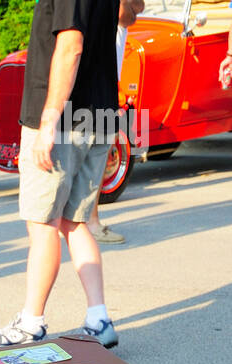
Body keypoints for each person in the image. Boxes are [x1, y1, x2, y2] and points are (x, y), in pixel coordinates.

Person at [0, 0, 121, 351]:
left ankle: (32, 322)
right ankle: (98, 318)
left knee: (43, 224)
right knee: (75, 222)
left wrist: (48, 120)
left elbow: (71, 44)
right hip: (98, 115)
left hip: (65, 121)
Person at [87, 0, 145, 246]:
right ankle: (89, 222)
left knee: (96, 150)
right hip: (96, 74)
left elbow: (134, 10)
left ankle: (87, 219)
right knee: (93, 151)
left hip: (106, 74)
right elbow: (125, 12)